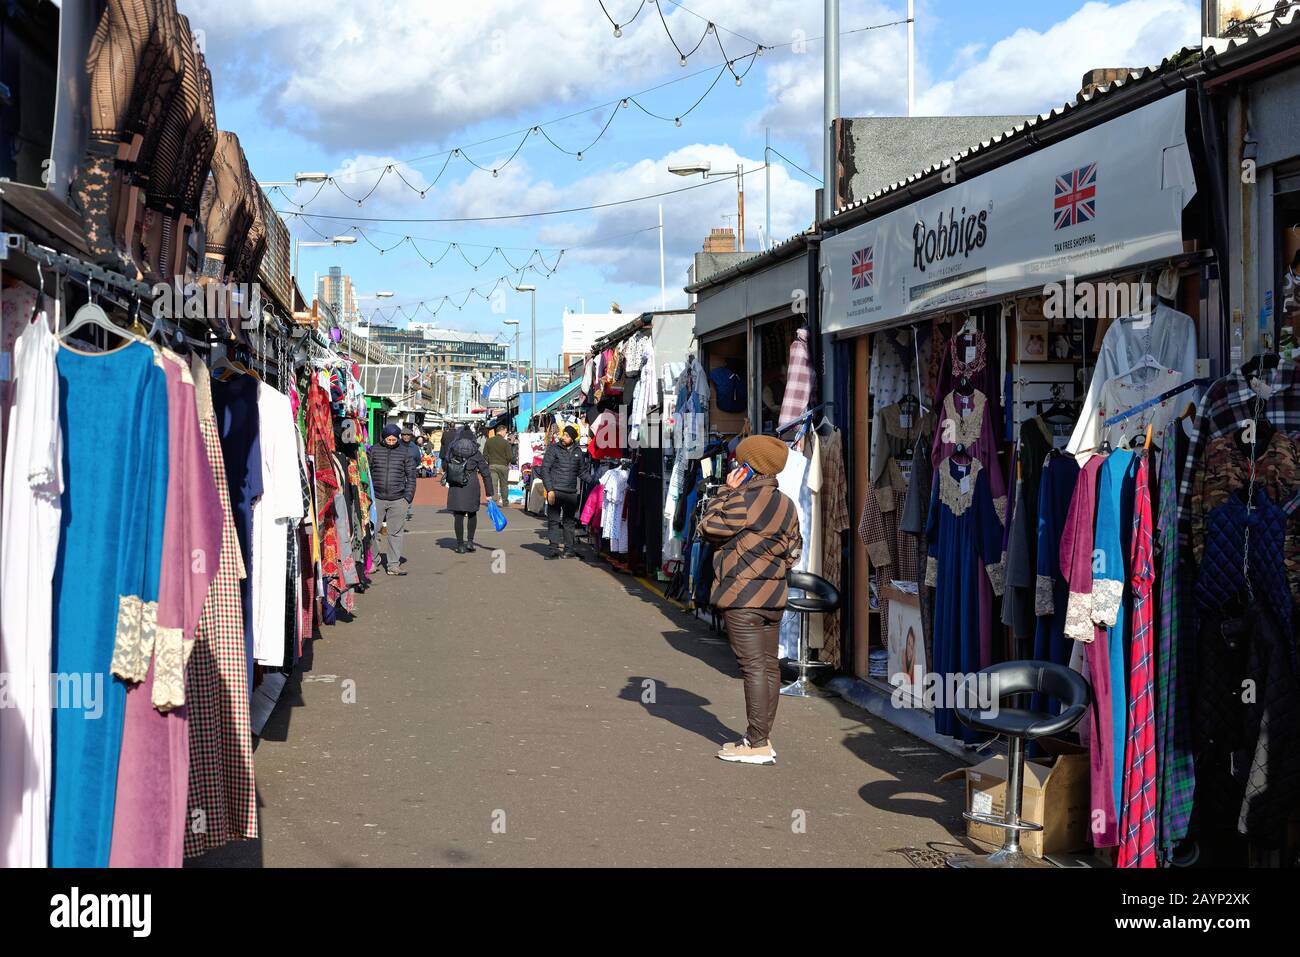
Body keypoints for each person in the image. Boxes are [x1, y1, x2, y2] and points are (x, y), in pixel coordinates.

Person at [699, 434, 802, 766]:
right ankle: (762, 738)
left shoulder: (742, 500)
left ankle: (757, 742)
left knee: (753, 667)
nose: (734, 466)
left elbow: (707, 528)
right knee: (769, 666)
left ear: (750, 467)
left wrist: (725, 491)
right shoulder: (786, 504)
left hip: (742, 598)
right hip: (773, 598)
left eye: (740, 462)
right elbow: (793, 553)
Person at [370, 423, 417, 576]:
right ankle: (373, 562)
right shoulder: (373, 450)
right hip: (376, 498)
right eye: (388, 440)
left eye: (393, 440)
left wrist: (407, 498)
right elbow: (368, 473)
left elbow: (411, 476)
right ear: (383, 438)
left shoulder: (405, 453)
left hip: (398, 499)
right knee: (373, 532)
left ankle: (393, 565)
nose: (391, 442)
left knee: (395, 533)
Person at [538, 425, 589, 560]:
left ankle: (569, 550)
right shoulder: (553, 449)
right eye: (564, 434)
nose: (563, 437)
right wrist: (549, 490)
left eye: (567, 436)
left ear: (573, 438)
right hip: (555, 491)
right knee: (553, 520)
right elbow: (545, 470)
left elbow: (582, 472)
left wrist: (596, 481)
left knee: (569, 521)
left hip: (571, 492)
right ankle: (554, 550)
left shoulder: (578, 452)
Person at [444, 425, 492, 554]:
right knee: (472, 513)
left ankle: (460, 545)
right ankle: (470, 542)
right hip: (471, 484)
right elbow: (485, 472)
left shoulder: (453, 449)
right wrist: (489, 492)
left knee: (458, 515)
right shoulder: (476, 452)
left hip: (456, 484)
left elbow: (445, 464)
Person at [483, 427, 512, 506]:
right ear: (501, 431)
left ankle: (494, 501)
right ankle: (505, 502)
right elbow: (509, 456)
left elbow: (485, 454)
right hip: (503, 466)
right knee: (504, 485)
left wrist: (489, 461)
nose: (506, 433)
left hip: (492, 465)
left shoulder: (489, 441)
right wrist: (507, 462)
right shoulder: (505, 443)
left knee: (493, 484)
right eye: (505, 431)